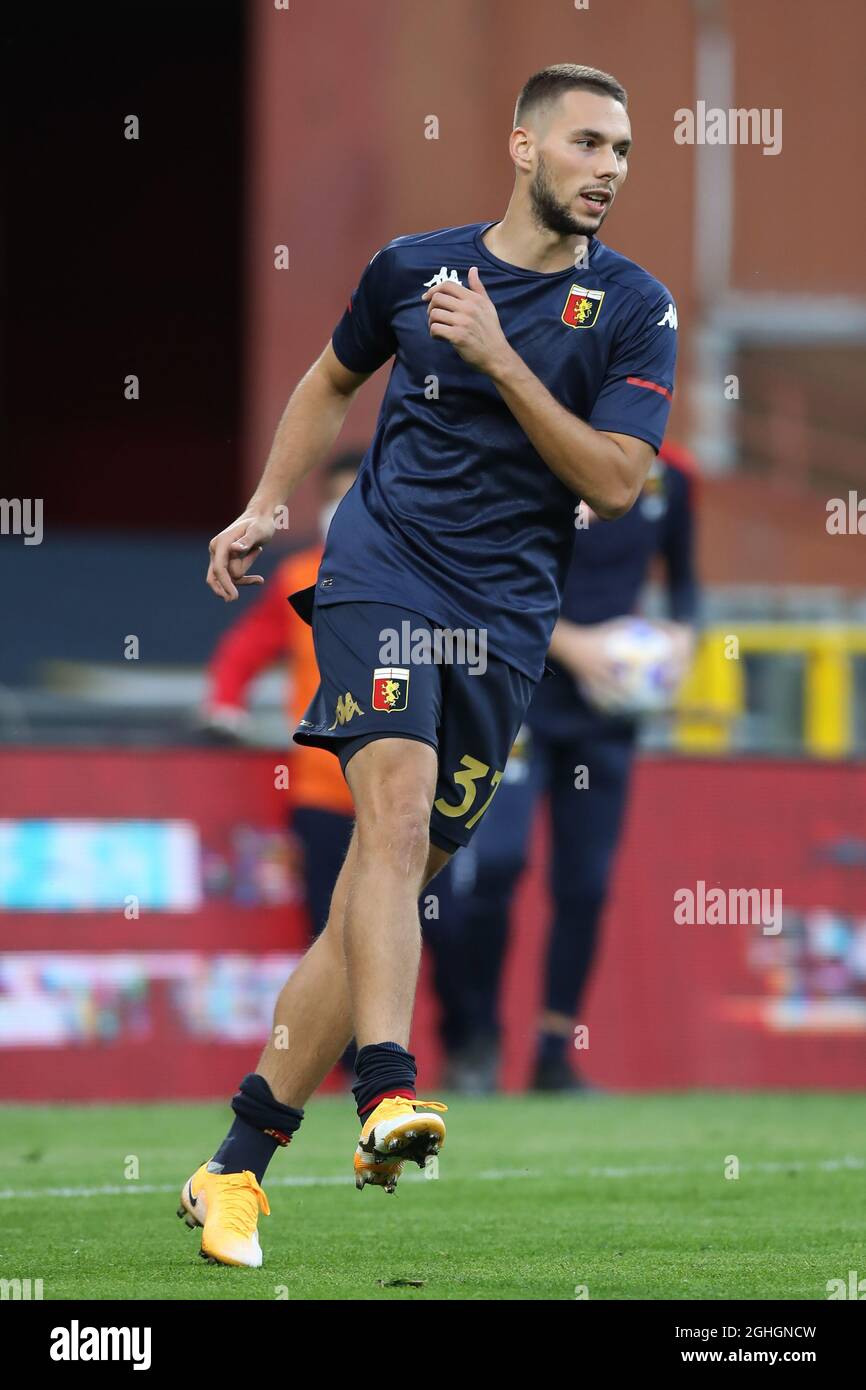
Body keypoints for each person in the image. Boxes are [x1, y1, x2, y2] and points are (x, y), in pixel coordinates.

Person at [181, 62, 679, 1268]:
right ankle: (389, 1094)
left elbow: (616, 483)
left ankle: (234, 1166)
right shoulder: (413, 269)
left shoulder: (632, 307)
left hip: (504, 627)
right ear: (521, 147)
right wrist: (264, 505)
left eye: (621, 149)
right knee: (393, 807)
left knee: (380, 889)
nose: (608, 167)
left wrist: (502, 358)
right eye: (585, 143)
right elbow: (327, 378)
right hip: (381, 577)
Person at [442, 442, 699, 1094]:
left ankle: (555, 1053)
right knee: (494, 865)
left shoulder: (672, 477)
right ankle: (474, 1040)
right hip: (519, 696)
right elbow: (490, 583)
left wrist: (684, 638)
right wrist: (574, 644)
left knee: (585, 885)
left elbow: (686, 582)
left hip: (608, 713)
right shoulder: (531, 453)